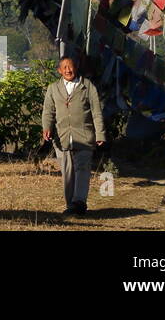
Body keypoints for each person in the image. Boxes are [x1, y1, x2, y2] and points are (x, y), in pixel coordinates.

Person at [41, 55, 106, 215]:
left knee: (82, 168)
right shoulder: (53, 88)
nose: (68, 70)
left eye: (71, 67)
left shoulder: (87, 86)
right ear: (59, 70)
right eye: (65, 68)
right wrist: (47, 127)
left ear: (75, 68)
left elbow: (97, 112)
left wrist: (100, 134)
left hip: (84, 135)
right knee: (67, 172)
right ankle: (71, 204)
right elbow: (48, 111)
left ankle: (79, 202)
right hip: (62, 137)